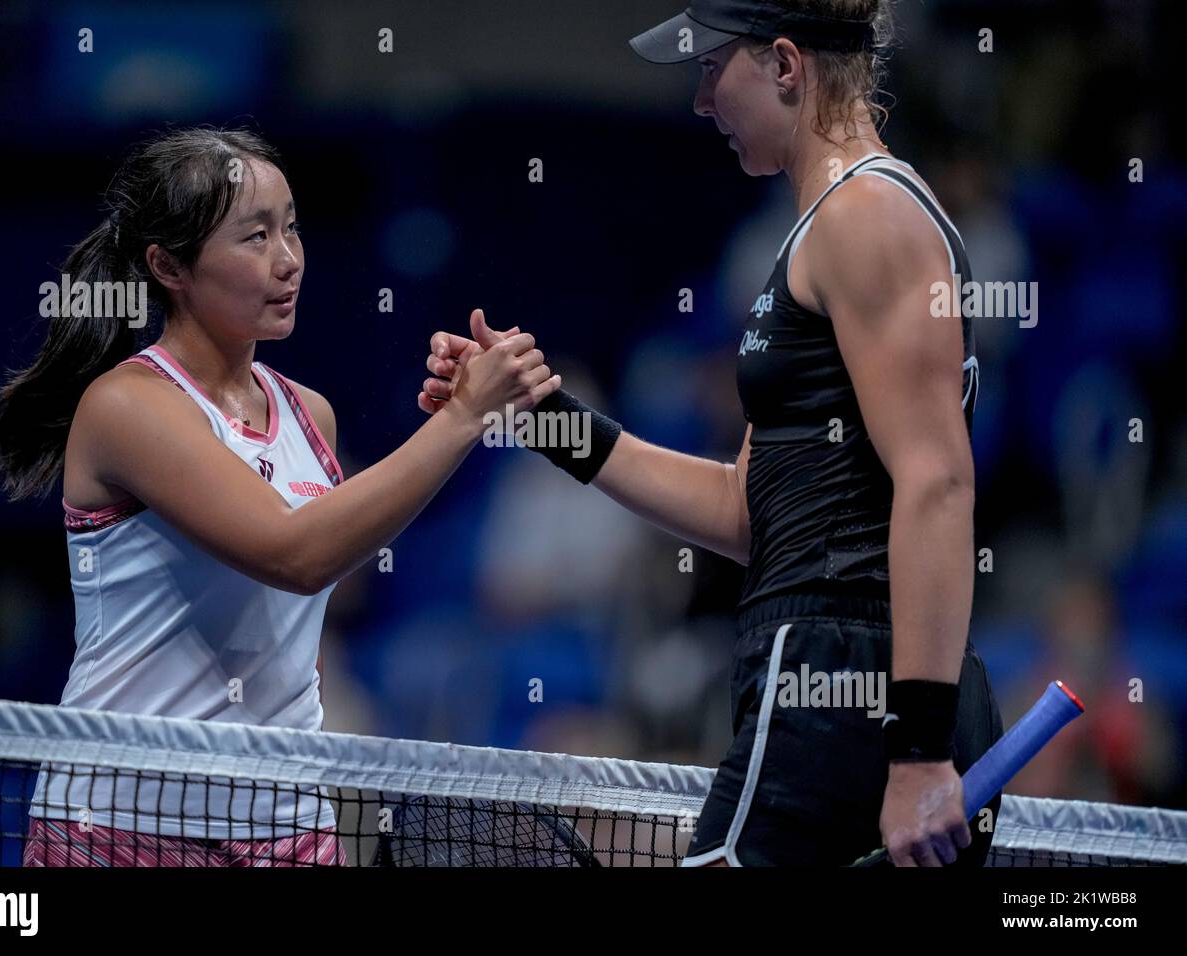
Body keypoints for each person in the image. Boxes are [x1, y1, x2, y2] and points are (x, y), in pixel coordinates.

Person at [418, 0, 1004, 866]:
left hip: (852, 680)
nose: (699, 102)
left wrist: (917, 751)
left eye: (710, 69)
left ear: (786, 66)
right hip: (836, 672)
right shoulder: (826, 228)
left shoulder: (866, 216)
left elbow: (938, 482)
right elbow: (745, 512)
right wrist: (541, 419)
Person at [0, 127, 558, 866]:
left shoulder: (310, 416)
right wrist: (463, 419)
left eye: (292, 228)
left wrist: (460, 417)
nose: (288, 260)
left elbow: (302, 616)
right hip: (122, 822)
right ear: (168, 266)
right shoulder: (127, 406)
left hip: (286, 825)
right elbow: (295, 556)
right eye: (255, 237)